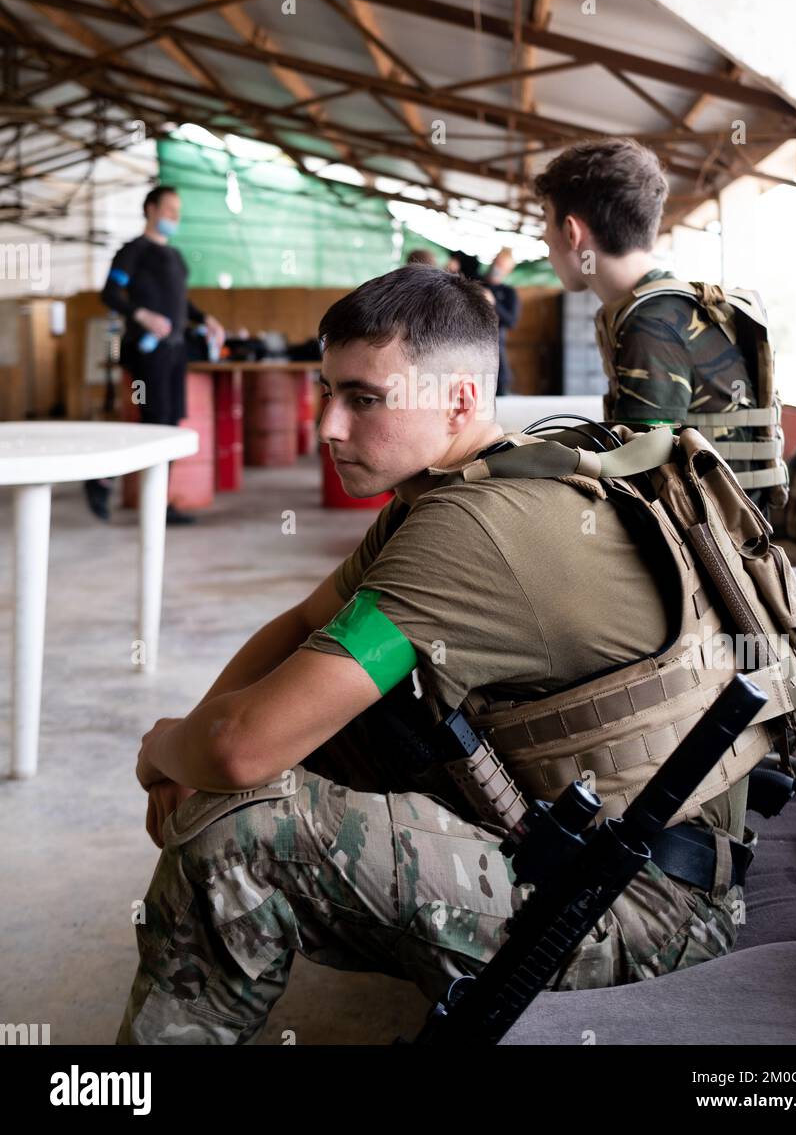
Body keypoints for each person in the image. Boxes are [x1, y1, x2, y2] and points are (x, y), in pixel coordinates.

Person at [117, 264, 756, 1046]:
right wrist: (201, 746)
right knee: (305, 729)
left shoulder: (474, 530)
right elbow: (301, 622)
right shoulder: (468, 482)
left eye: (364, 398)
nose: (328, 426)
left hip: (639, 907)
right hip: (585, 845)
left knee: (240, 832)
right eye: (327, 391)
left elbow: (240, 748)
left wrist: (166, 750)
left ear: (457, 399)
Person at [535, 138, 786, 512]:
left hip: (721, 554)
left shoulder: (651, 323)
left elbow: (638, 485)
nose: (543, 237)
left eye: (545, 218)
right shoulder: (661, 306)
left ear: (571, 231)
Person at [86, 185, 225, 525]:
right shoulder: (134, 251)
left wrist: (205, 318)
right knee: (152, 424)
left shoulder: (174, 257)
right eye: (168, 209)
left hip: (175, 351)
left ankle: (157, 503)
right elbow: (110, 292)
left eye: (178, 211)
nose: (174, 217)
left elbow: (180, 301)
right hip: (146, 351)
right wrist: (142, 315)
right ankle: (100, 476)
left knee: (170, 424)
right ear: (150, 209)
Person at [481, 247, 520, 395]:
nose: (497, 268)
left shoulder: (508, 292)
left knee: (500, 384)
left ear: (508, 271)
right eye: (497, 263)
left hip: (495, 347)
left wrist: (494, 303)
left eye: (502, 266)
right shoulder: (476, 282)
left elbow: (512, 321)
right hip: (470, 343)